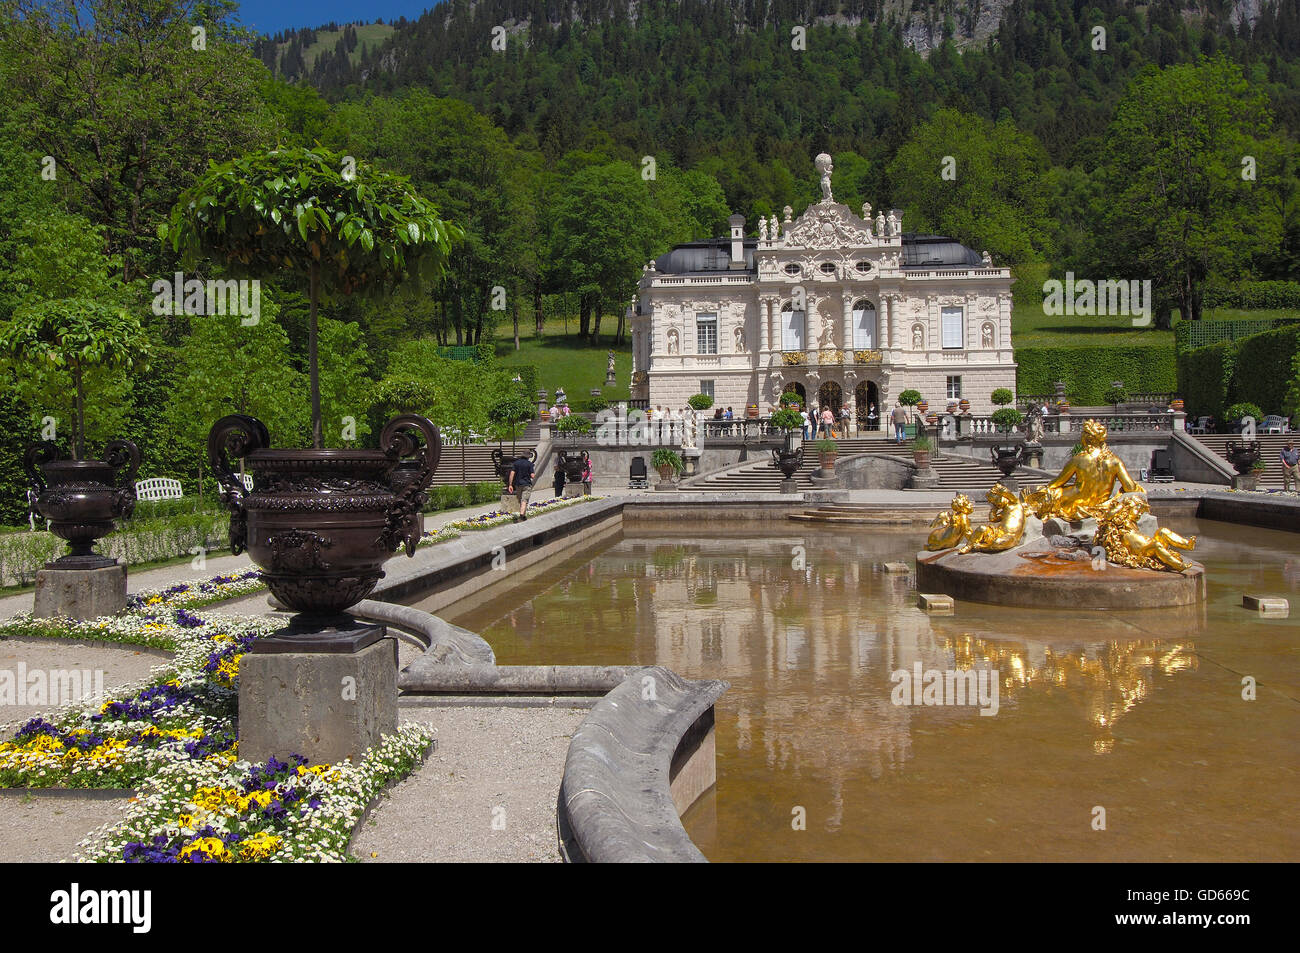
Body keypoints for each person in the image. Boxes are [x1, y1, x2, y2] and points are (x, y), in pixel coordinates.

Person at [507, 452, 535, 521]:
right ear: (528, 457)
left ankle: (523, 515)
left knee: (520, 500)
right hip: (526, 484)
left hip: (518, 484)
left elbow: (512, 473)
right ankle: (522, 515)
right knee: (524, 500)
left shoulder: (516, 463)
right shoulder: (529, 464)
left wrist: (510, 485)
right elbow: (532, 476)